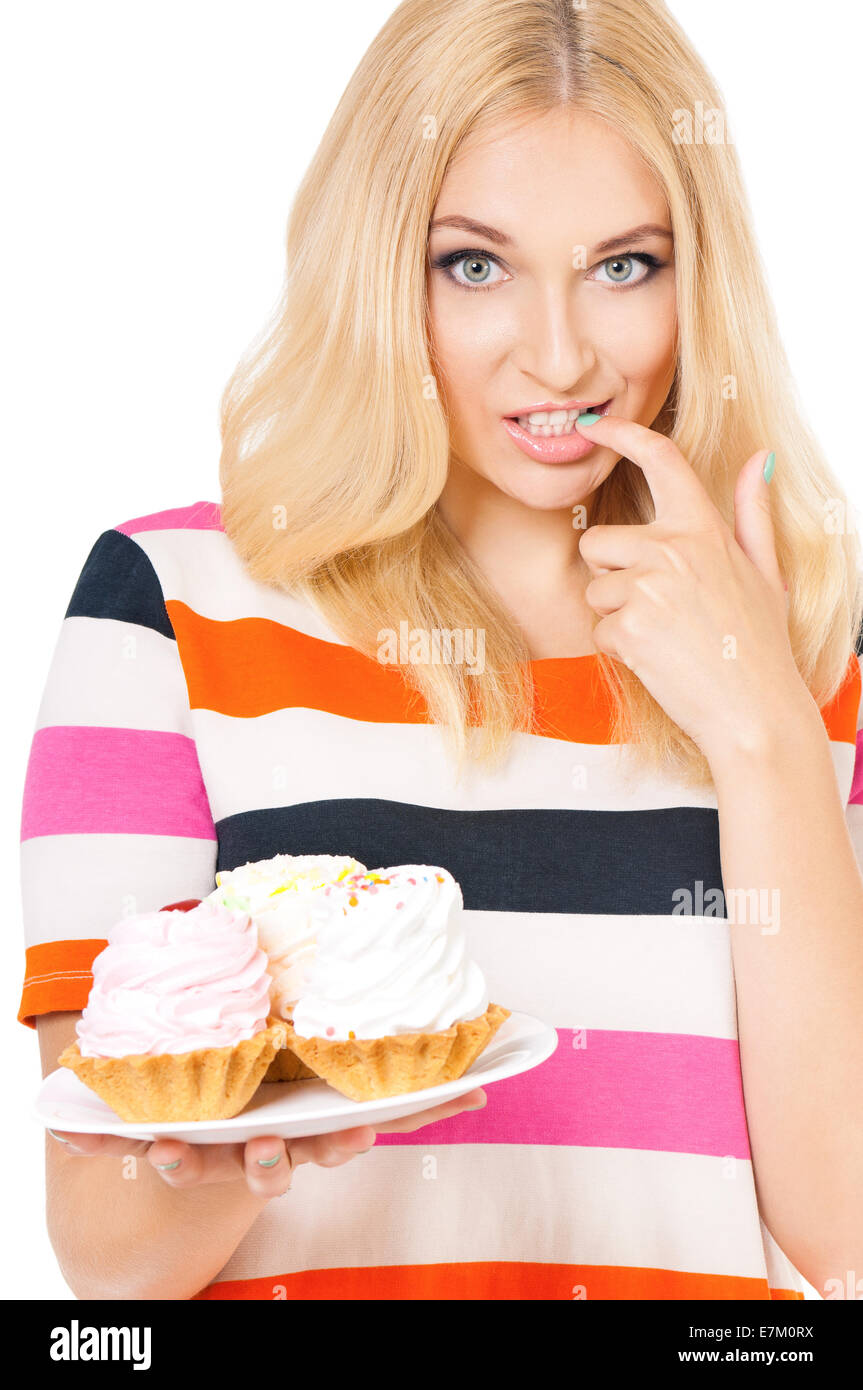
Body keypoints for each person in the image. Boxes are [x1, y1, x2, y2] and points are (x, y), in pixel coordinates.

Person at [21, 0, 863, 1300]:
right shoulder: (174, 611)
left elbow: (847, 1231)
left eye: (625, 264)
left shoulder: (813, 640)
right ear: (380, 265)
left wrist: (761, 731)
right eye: (475, 264)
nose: (562, 352)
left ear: (701, 273)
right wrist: (244, 1140)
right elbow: (105, 1262)